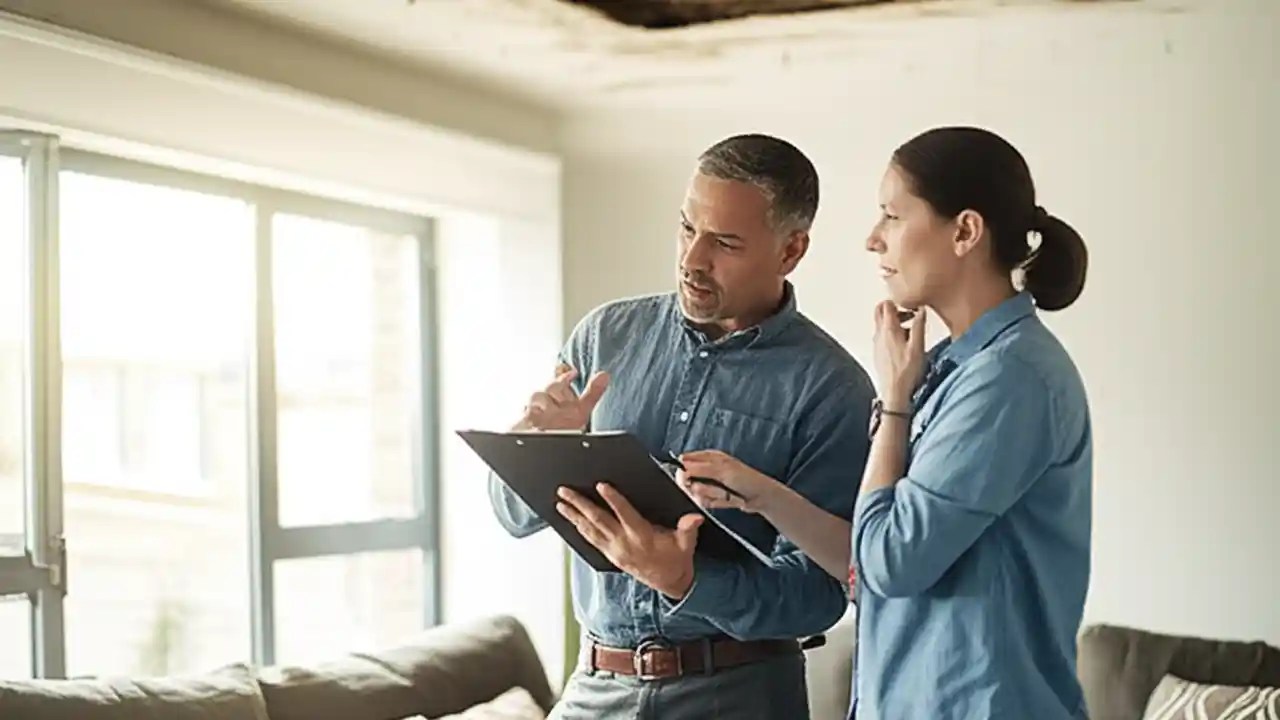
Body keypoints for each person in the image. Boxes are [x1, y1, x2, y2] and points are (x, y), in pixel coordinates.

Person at [680, 126, 1092, 719]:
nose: (874, 240)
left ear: (965, 232)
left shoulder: (1011, 380)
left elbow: (888, 561)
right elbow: (864, 566)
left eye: (892, 216)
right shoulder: (957, 369)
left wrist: (894, 405)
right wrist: (763, 495)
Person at [487, 133, 875, 720]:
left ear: (791, 251)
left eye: (724, 242)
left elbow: (822, 594)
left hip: (739, 698)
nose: (693, 259)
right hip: (595, 688)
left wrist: (688, 580)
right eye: (687, 228)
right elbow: (512, 517)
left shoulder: (832, 388)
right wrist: (533, 445)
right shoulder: (603, 336)